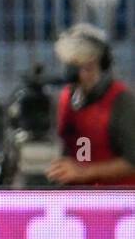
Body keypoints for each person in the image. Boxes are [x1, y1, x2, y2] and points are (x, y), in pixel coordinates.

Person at [47, 23, 135, 187]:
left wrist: (84, 171)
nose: (82, 76)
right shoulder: (67, 98)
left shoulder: (121, 100)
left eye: (88, 67)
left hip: (120, 200)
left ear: (102, 66)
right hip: (81, 197)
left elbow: (132, 161)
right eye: (75, 68)